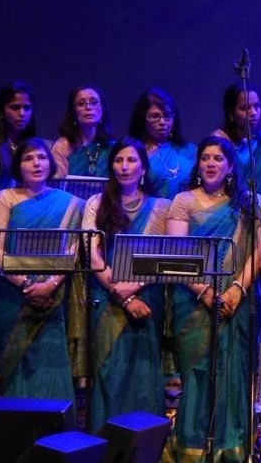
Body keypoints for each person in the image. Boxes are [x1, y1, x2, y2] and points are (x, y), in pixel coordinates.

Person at [165, 136, 256, 462]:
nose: (211, 163)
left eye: (219, 158)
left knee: (232, 378)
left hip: (237, 302)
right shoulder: (183, 201)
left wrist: (236, 290)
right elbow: (175, 255)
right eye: (205, 157)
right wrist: (204, 291)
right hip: (192, 304)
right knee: (198, 374)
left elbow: (256, 255)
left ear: (231, 166)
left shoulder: (247, 205)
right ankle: (192, 450)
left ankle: (230, 451)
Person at [82, 137, 171, 426]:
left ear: (143, 168)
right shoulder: (97, 204)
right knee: (109, 370)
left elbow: (165, 257)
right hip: (107, 298)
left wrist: (133, 291)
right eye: (118, 160)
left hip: (147, 299)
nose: (124, 166)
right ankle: (105, 446)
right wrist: (121, 293)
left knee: (143, 374)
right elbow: (92, 254)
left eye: (131, 160)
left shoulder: (161, 208)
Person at [0, 138, 82, 400]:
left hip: (53, 296)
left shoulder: (71, 203)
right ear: (19, 166)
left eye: (41, 157)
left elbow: (74, 250)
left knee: (51, 365)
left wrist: (50, 284)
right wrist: (26, 284)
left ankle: (55, 436)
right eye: (28, 158)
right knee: (15, 367)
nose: (36, 163)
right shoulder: (5, 198)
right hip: (12, 296)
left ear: (50, 164)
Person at [214, 82, 261, 198]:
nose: (253, 113)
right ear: (231, 114)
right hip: (227, 209)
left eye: (257, 106)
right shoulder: (218, 143)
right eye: (245, 108)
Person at [128, 87, 195, 199]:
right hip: (148, 214)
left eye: (167, 115)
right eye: (155, 116)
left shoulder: (190, 151)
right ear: (143, 118)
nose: (162, 122)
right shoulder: (134, 153)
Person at [50, 85, 114, 178]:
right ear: (74, 113)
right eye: (81, 103)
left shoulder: (111, 147)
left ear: (102, 110)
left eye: (94, 102)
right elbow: (59, 184)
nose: (88, 107)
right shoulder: (63, 146)